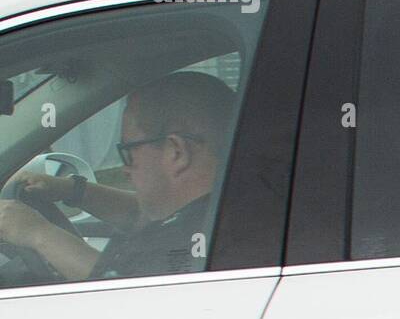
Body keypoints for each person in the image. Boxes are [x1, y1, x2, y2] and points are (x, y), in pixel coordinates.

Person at [0, 71, 235, 281]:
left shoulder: (200, 243)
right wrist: (73, 191)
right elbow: (140, 214)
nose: (125, 169)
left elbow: (122, 286)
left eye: (128, 151)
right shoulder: (213, 213)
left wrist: (37, 233)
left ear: (176, 152)